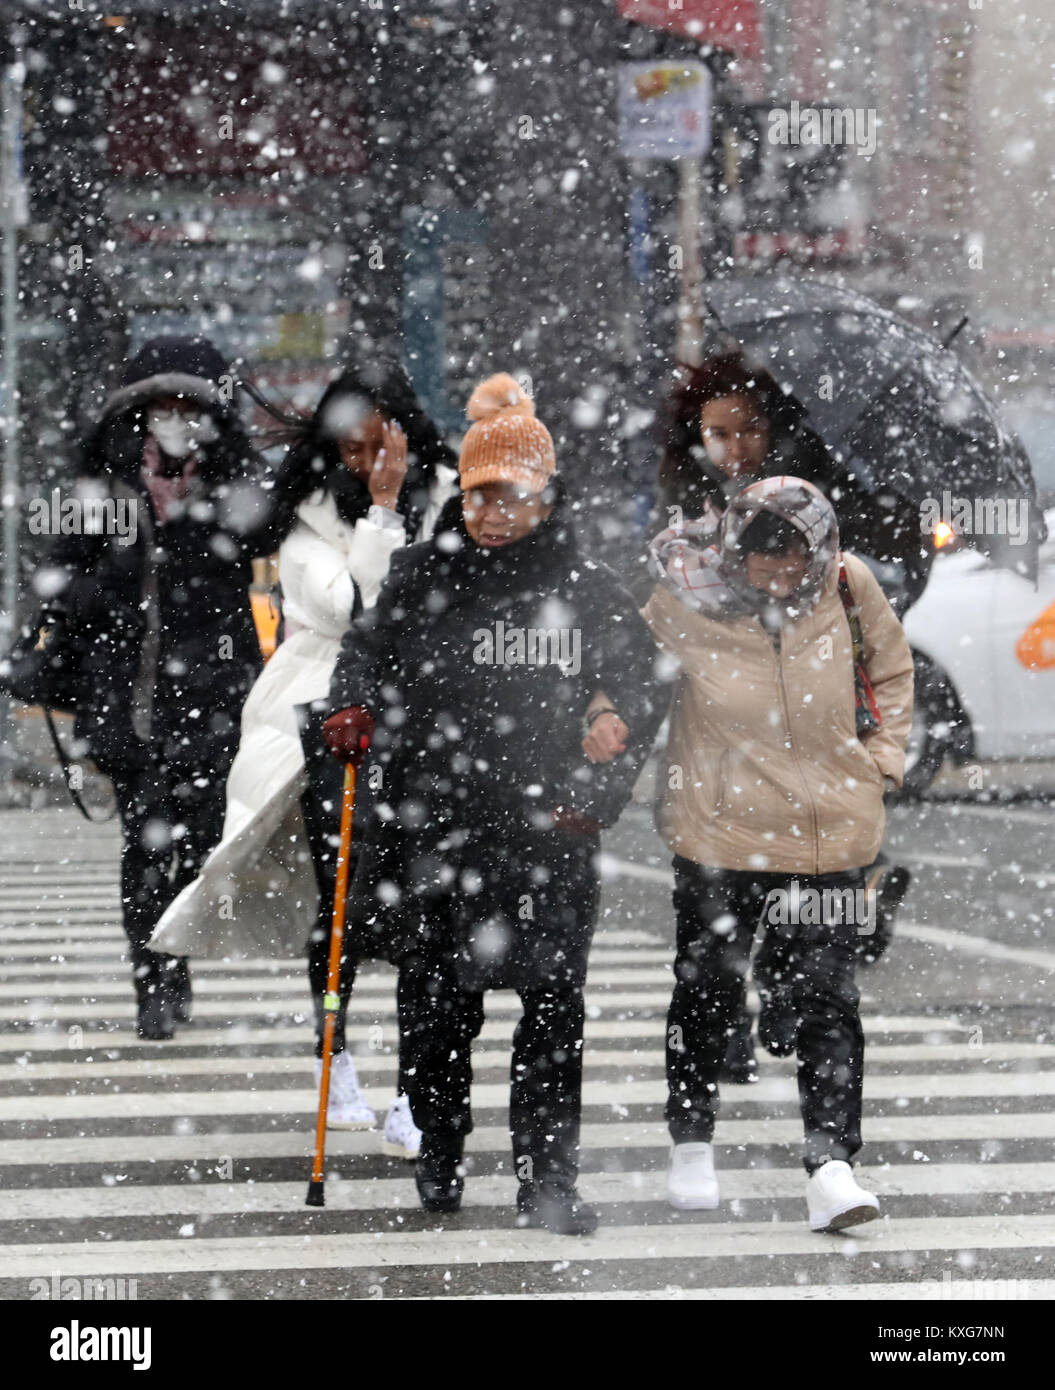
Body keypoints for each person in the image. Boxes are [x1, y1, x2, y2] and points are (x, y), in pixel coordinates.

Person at [323, 373, 662, 1234]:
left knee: (553, 1012)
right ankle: (439, 1153)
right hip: (440, 827)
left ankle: (547, 1178)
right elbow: (361, 656)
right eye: (481, 497)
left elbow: (641, 676)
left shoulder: (584, 586)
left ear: (545, 499)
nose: (495, 514)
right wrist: (352, 708)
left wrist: (610, 745)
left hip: (552, 828)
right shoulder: (422, 574)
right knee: (438, 1011)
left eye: (513, 497)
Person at [150, 361, 457, 1157]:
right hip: (329, 719)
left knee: (430, 917)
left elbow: (451, 598)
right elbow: (359, 610)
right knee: (342, 903)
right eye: (348, 448)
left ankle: (417, 1091)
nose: (363, 463)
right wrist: (384, 511)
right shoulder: (307, 516)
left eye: (377, 446)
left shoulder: (455, 495)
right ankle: (338, 1055)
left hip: (432, 722)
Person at [640, 476, 913, 1231]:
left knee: (829, 999)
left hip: (830, 837)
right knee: (706, 996)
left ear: (818, 547)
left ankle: (830, 1165)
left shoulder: (847, 585)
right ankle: (691, 1140)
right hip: (717, 839)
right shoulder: (682, 598)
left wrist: (881, 760)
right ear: (732, 547)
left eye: (791, 555)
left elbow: (891, 670)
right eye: (759, 555)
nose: (774, 573)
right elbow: (624, 678)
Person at [38, 336, 275, 1041]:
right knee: (145, 846)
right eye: (161, 407)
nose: (175, 420)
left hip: (213, 695)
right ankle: (155, 983)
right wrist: (99, 592)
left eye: (189, 408)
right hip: (132, 696)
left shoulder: (233, 486)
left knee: (200, 841)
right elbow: (61, 574)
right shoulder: (104, 489)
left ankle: (176, 956)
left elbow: (267, 539)